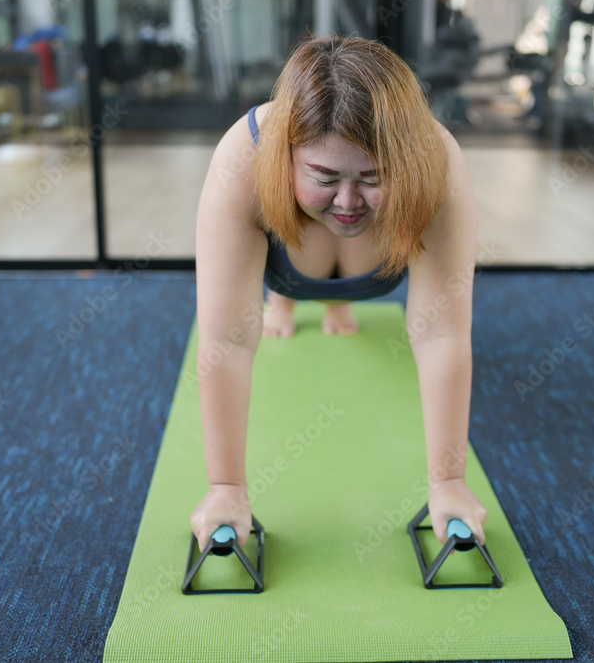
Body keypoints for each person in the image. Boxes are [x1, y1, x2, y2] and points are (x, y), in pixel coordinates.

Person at [189, 34, 486, 555]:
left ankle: (335, 291)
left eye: (373, 178)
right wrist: (225, 489)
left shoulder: (438, 161)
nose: (348, 202)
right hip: (285, 257)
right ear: (287, 154)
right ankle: (287, 296)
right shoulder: (242, 158)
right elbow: (227, 339)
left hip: (374, 255)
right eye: (324, 176)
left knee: (351, 230)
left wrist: (448, 484)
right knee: (273, 290)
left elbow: (441, 330)